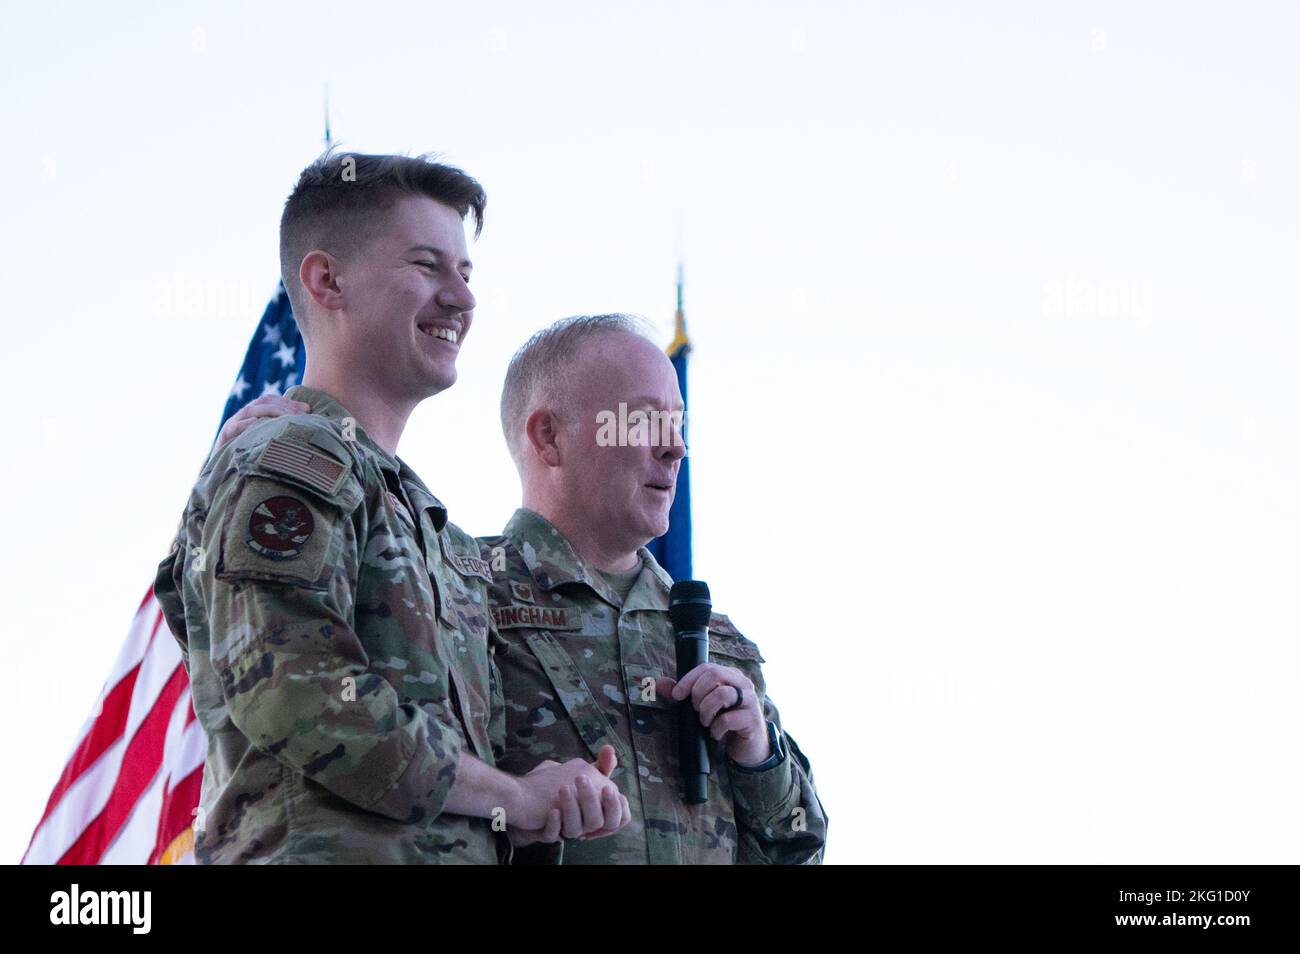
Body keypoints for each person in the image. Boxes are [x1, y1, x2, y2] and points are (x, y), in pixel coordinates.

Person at [155, 152, 628, 864]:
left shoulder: (420, 516)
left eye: (465, 274)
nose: (462, 299)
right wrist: (511, 797)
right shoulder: (294, 457)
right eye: (427, 265)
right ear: (328, 281)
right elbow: (296, 693)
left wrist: (532, 797)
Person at [484, 314, 828, 863]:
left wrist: (758, 755)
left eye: (678, 425)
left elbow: (799, 851)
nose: (676, 450)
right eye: (642, 421)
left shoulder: (714, 640)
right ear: (549, 436)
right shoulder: (457, 595)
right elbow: (399, 796)